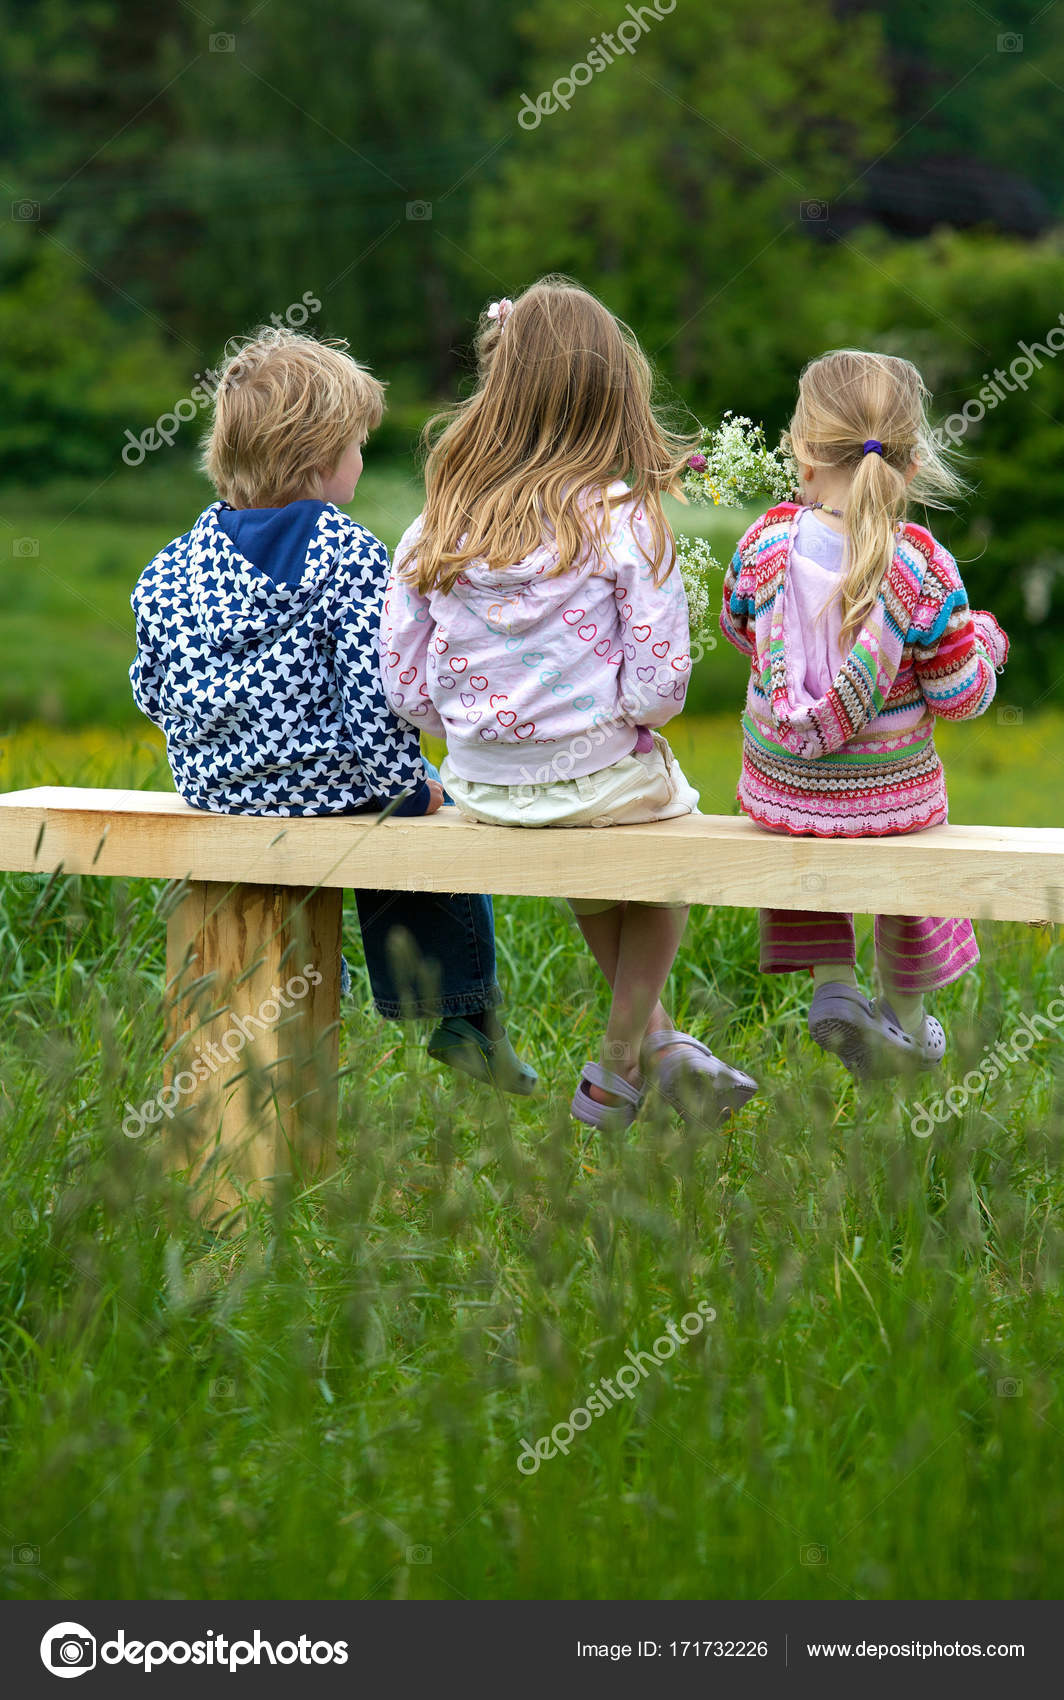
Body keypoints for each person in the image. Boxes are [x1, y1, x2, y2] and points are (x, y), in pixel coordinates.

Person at [381, 278, 757, 1128]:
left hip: (480, 788)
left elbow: (405, 689)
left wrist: (480, 731)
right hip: (591, 781)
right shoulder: (628, 522)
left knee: (598, 831)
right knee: (669, 860)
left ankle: (663, 1047)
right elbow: (659, 694)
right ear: (611, 400)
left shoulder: (436, 521)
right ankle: (618, 1066)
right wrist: (608, 722)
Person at [129, 326, 535, 1094]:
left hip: (214, 787)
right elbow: (372, 696)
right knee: (423, 826)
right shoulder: (346, 551)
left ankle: (321, 976)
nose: (361, 458)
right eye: (356, 445)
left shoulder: (173, 562)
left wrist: (220, 746)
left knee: (373, 811)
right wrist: (410, 787)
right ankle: (462, 1014)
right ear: (320, 459)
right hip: (335, 785)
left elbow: (152, 685)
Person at [721, 349, 1008, 1078]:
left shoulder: (765, 543)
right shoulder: (922, 566)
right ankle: (908, 1023)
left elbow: (738, 627)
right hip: (892, 800)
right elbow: (959, 696)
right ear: (909, 469)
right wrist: (988, 646)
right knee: (910, 848)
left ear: (804, 452)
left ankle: (833, 987)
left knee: (806, 824)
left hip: (781, 791)